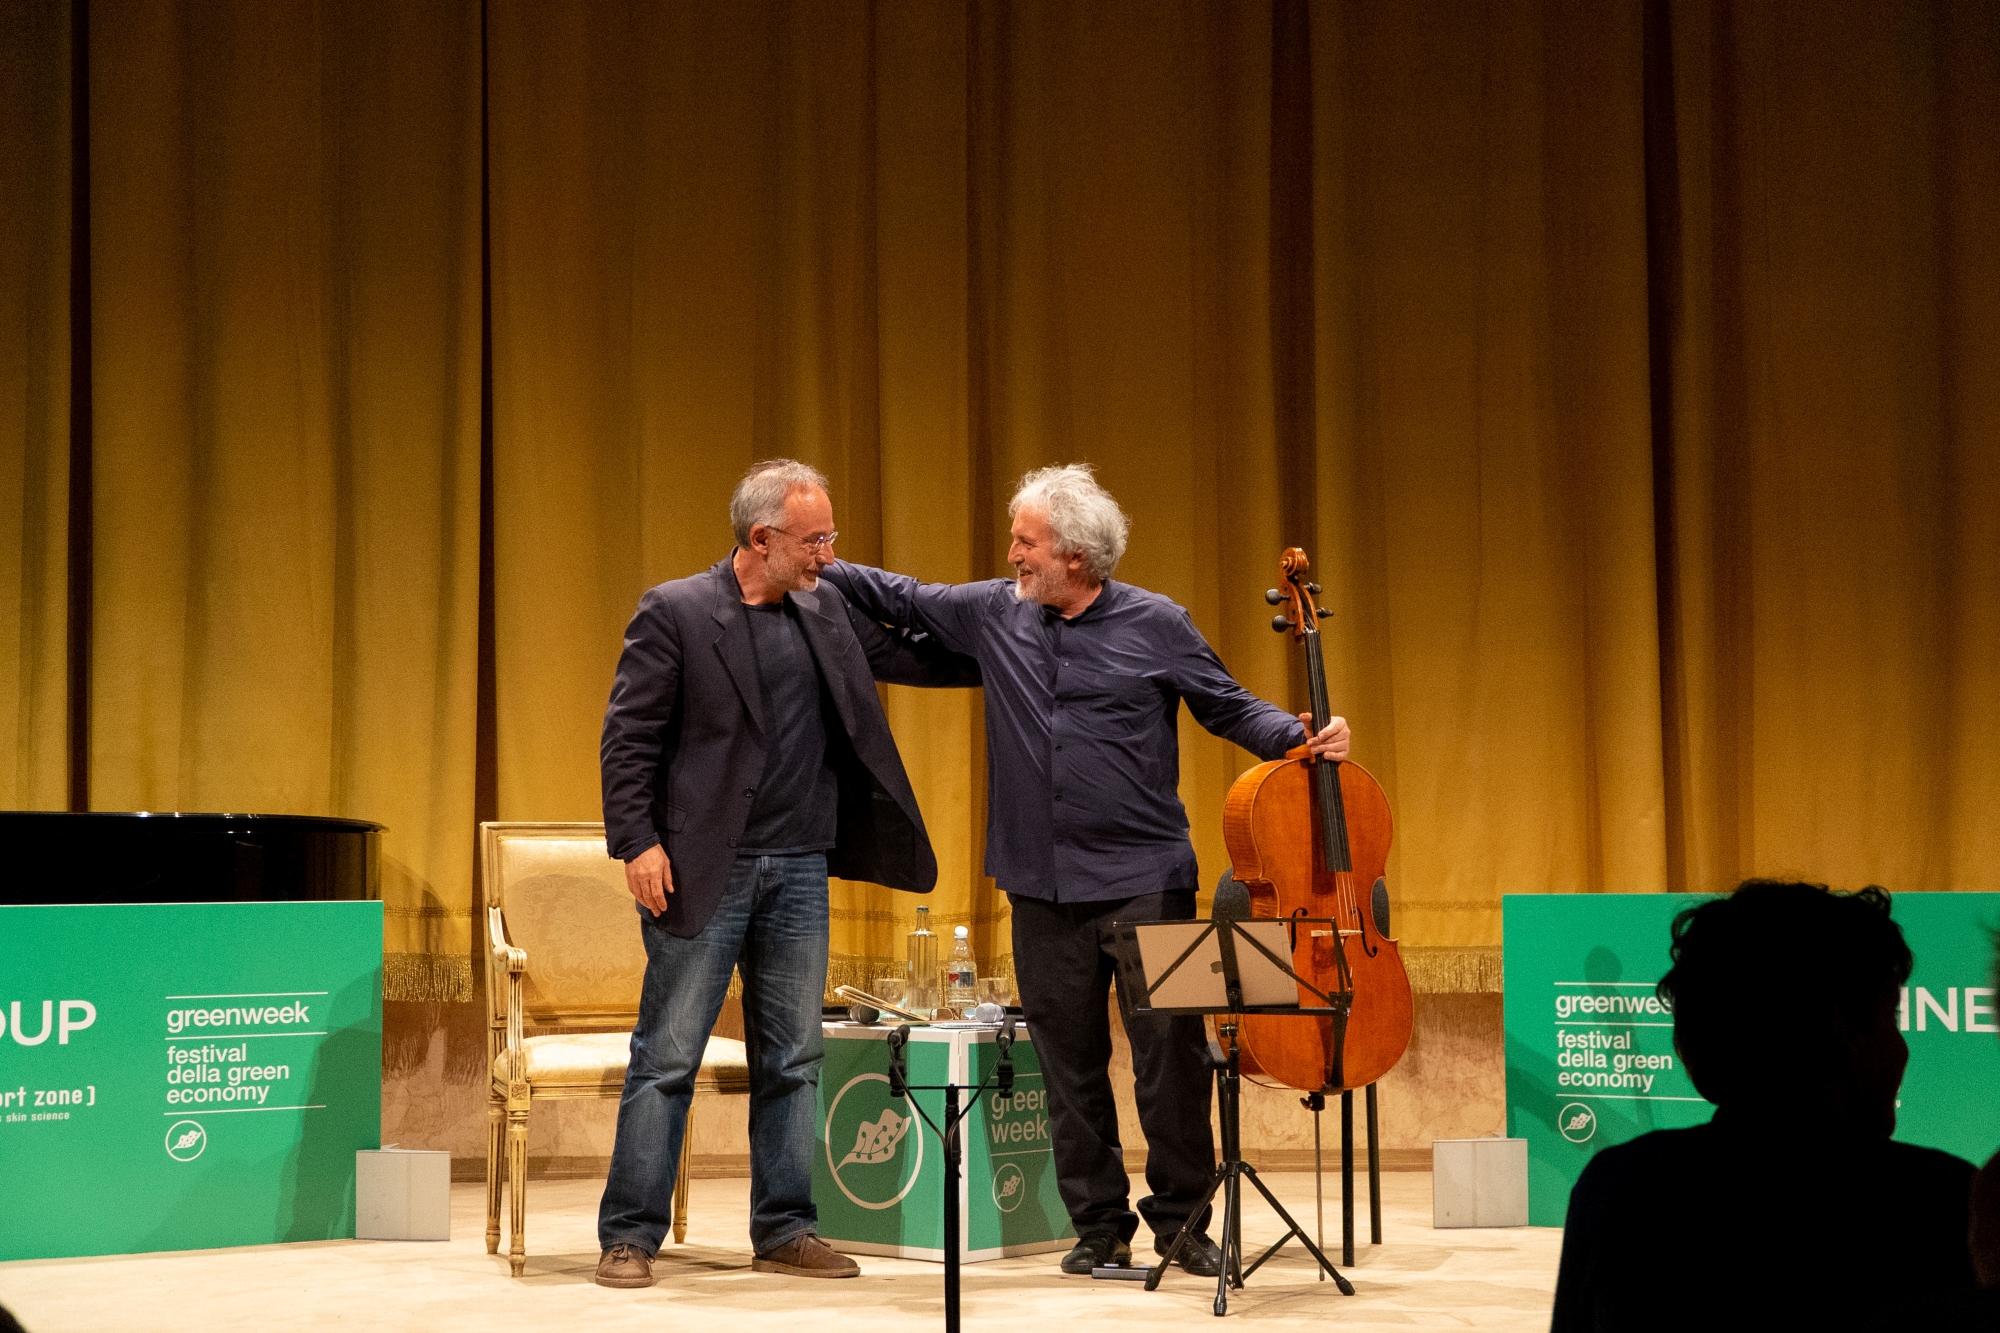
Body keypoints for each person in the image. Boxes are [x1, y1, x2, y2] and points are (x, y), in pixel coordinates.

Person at [820, 463, 1349, 1277]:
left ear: (1075, 554)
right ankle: (1098, 1226)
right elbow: (904, 596)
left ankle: (1183, 1221)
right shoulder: (998, 611)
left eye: (1026, 542)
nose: (1012, 553)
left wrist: (1296, 734)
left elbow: (1226, 702)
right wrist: (817, 557)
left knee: (1169, 1066)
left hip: (1147, 879)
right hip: (1039, 884)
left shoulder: (1158, 622)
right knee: (1067, 1067)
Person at [594, 459, 978, 1288]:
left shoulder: (824, 606)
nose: (829, 554)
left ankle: (784, 1228)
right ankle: (629, 1234)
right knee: (667, 1058)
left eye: (830, 537)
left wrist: (1016, 643)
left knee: (795, 1058)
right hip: (705, 865)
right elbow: (628, 739)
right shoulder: (679, 611)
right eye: (815, 539)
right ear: (760, 539)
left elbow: (918, 657)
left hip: (800, 864)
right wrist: (637, 843)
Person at [1550, 880, 1979, 1332]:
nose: (1902, 1048)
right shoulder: (1942, 1202)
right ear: (1845, 1028)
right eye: (1890, 1016)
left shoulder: (1618, 1191)